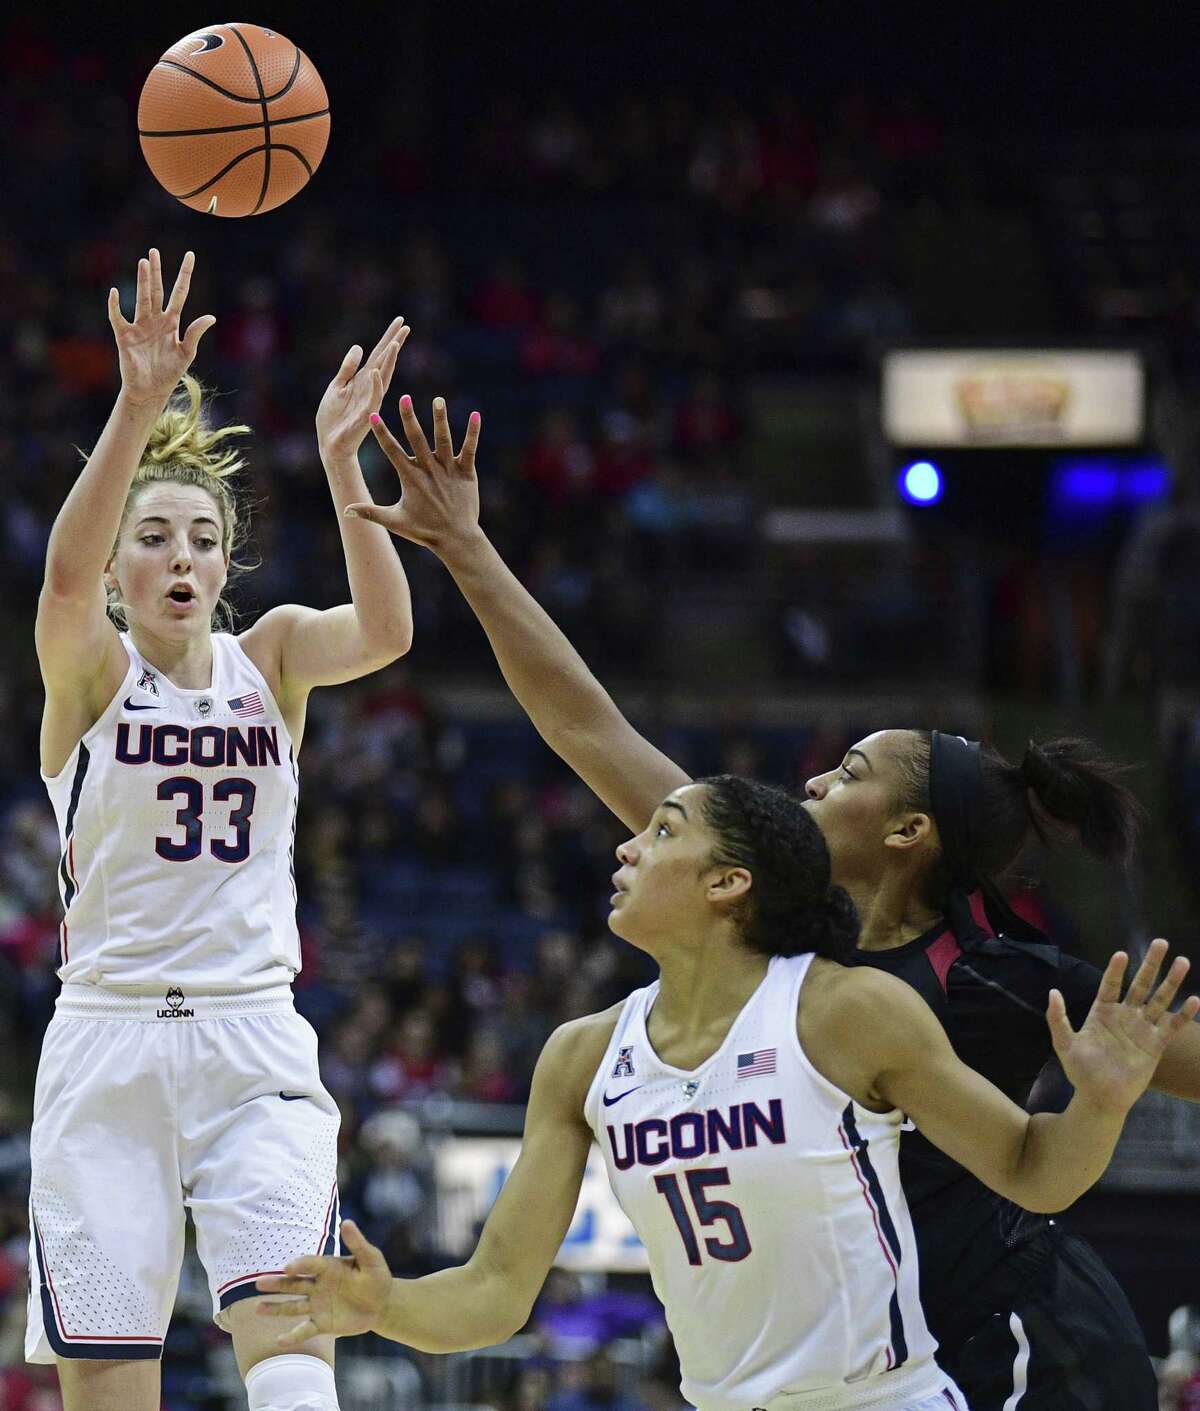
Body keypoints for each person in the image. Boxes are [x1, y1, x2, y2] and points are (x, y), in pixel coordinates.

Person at [343, 396, 1200, 1410]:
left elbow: (1087, 1120)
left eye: (849, 770)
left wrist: (1107, 1089)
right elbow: (583, 721)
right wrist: (466, 547)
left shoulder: (998, 980)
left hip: (1016, 1338)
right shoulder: (752, 917)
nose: (814, 780)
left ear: (907, 834)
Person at [257, 774, 1197, 1411]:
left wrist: (1102, 1101)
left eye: (662, 830)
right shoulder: (582, 1056)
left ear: (728, 883)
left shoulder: (843, 1010)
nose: (626, 848)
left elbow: (1034, 1171)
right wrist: (385, 1306)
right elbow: (497, 1293)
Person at [29, 248, 416, 1411]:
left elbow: (389, 630)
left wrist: (347, 465)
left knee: (292, 1337)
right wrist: (137, 400)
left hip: (254, 1042)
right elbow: (57, 579)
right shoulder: (90, 671)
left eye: (202, 535)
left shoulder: (277, 655)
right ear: (119, 570)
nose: (180, 554)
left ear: (228, 558)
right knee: (110, 1379)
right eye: (152, 536)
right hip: (110, 1039)